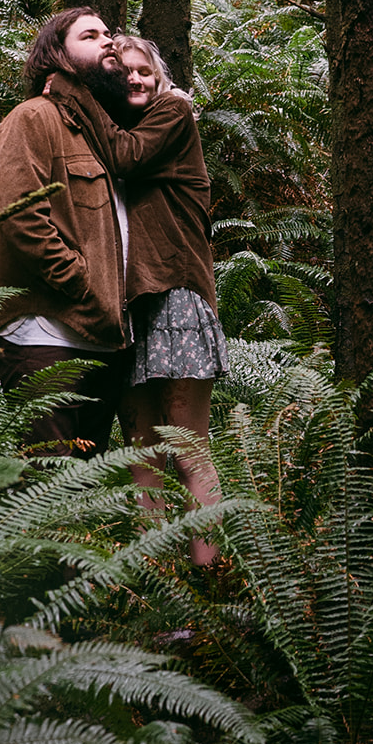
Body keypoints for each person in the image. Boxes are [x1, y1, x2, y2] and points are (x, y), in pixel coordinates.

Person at [0, 9, 194, 457]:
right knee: (45, 489)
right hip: (44, 338)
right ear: (58, 56)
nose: (108, 42)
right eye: (90, 35)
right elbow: (19, 215)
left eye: (108, 34)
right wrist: (79, 281)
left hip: (103, 345)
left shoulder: (106, 134)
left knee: (82, 499)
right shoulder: (34, 118)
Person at [113, 34, 229, 565]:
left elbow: (127, 156)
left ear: (159, 78)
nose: (133, 79)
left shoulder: (173, 112)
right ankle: (159, 588)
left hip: (176, 296)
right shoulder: (118, 127)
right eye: (122, 74)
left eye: (143, 71)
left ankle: (211, 578)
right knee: (143, 454)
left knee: (186, 446)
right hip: (129, 309)